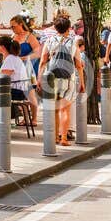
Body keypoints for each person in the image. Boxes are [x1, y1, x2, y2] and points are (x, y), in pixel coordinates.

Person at [38, 12, 84, 145]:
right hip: (68, 79)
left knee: (54, 109)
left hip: (51, 78)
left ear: (55, 28)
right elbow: (79, 65)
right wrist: (82, 82)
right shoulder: (73, 43)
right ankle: (64, 138)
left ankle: (55, 137)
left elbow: (42, 62)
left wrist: (40, 79)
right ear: (69, 28)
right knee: (65, 109)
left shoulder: (49, 41)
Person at [0, 34, 34, 131]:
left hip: (13, 91)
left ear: (2, 47)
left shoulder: (9, 59)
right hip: (19, 90)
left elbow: (4, 78)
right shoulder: (14, 58)